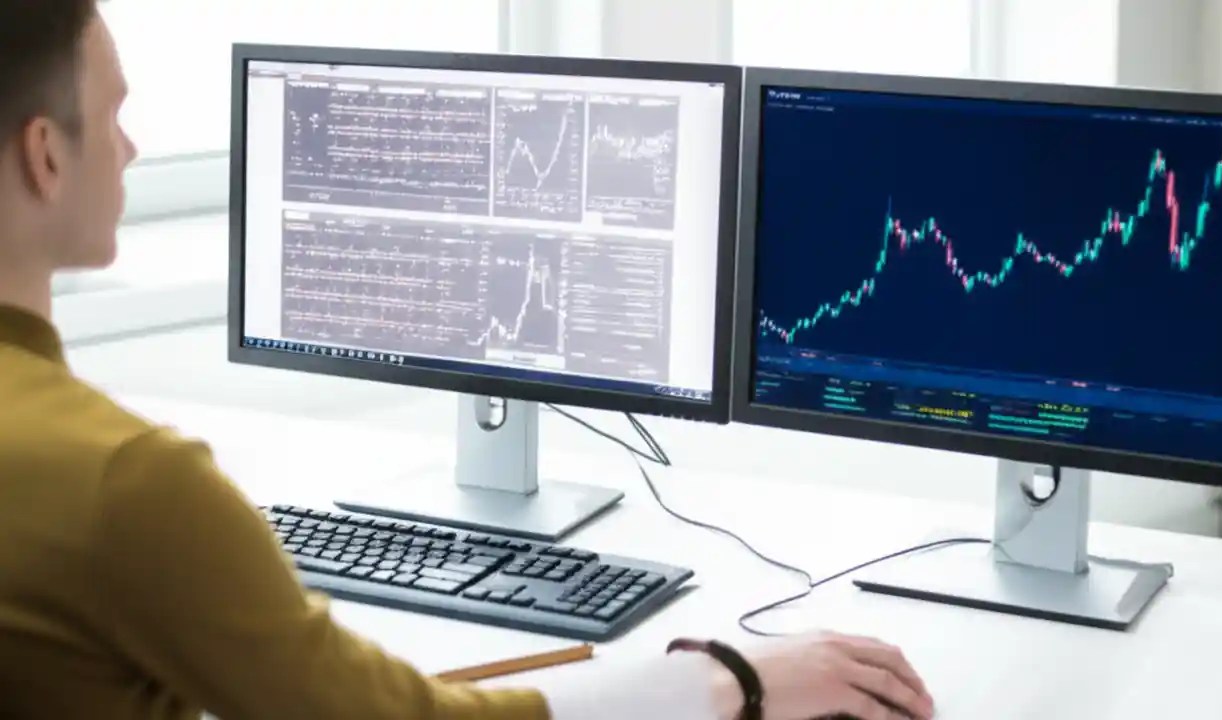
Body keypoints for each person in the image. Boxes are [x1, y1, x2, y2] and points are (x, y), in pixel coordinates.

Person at [0, 2, 936, 719]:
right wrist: (735, 675)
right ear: (45, 153)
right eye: (113, 114)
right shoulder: (127, 484)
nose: (129, 148)